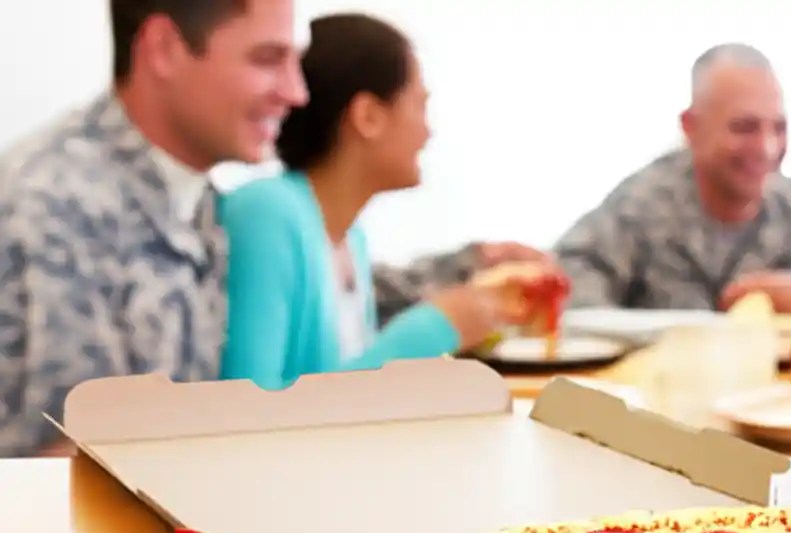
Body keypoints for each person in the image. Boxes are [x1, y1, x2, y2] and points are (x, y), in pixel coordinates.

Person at [0, 0, 308, 457]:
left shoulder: (198, 202)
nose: (296, 92)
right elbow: (63, 471)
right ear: (162, 49)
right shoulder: (56, 203)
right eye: (266, 60)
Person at [218, 13, 547, 391]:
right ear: (368, 116)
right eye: (419, 106)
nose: (427, 132)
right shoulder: (266, 213)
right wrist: (435, 327)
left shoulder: (348, 238)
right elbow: (246, 404)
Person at [552, 43, 791, 332]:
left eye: (778, 128)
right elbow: (567, 290)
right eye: (744, 127)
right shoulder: (640, 208)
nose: (767, 148)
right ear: (691, 127)